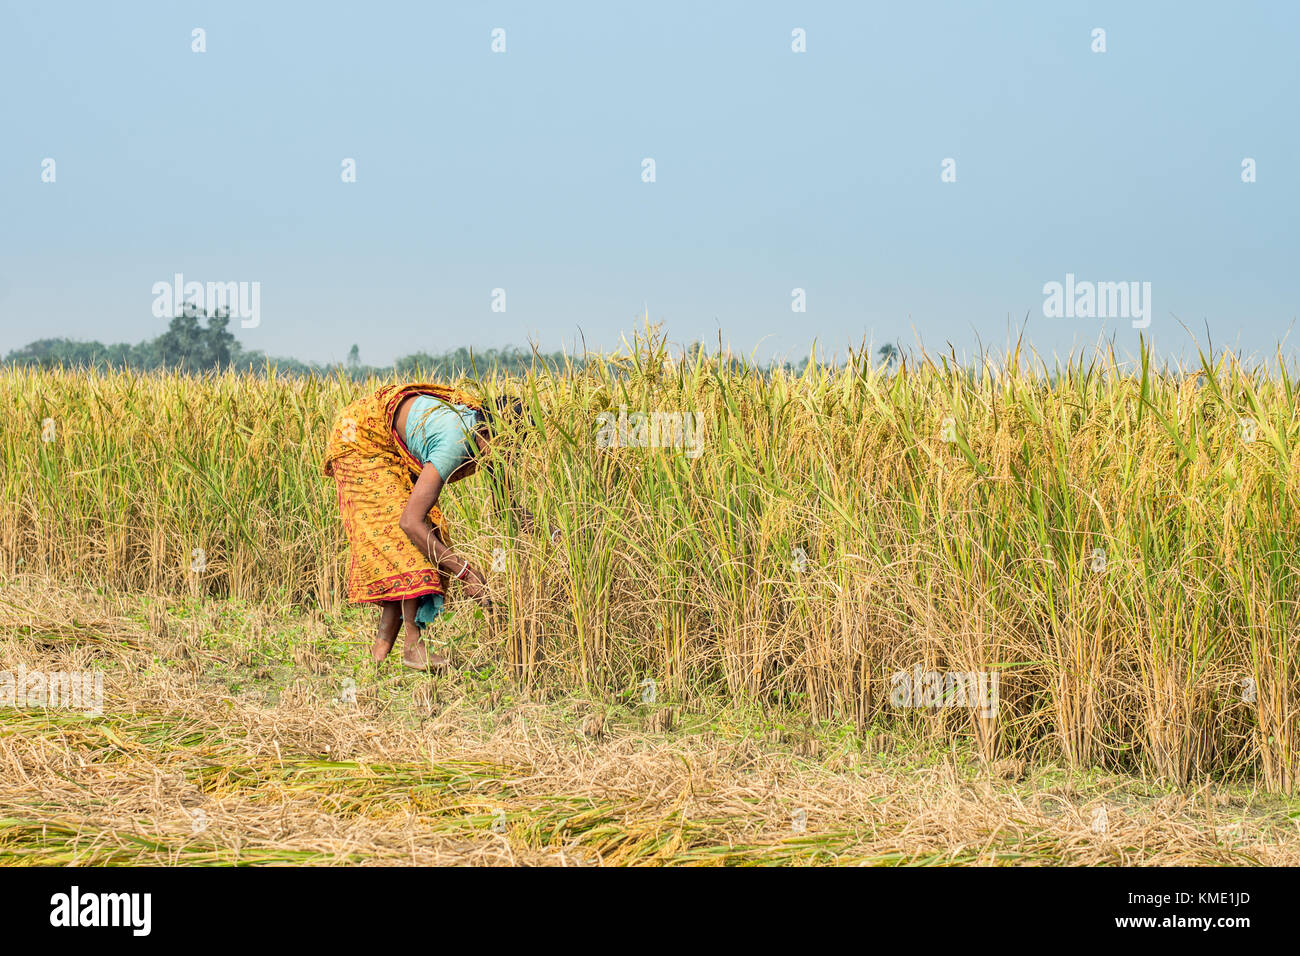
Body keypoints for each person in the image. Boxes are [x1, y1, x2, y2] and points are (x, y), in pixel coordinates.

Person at [324, 382, 529, 670]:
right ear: (484, 435)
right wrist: (467, 573)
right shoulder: (454, 443)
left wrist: (552, 532)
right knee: (410, 540)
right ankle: (413, 647)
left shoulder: (490, 441)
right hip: (361, 439)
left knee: (423, 536)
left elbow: (508, 510)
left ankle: (377, 660)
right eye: (506, 449)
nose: (509, 457)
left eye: (515, 450)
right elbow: (410, 522)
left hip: (390, 439)